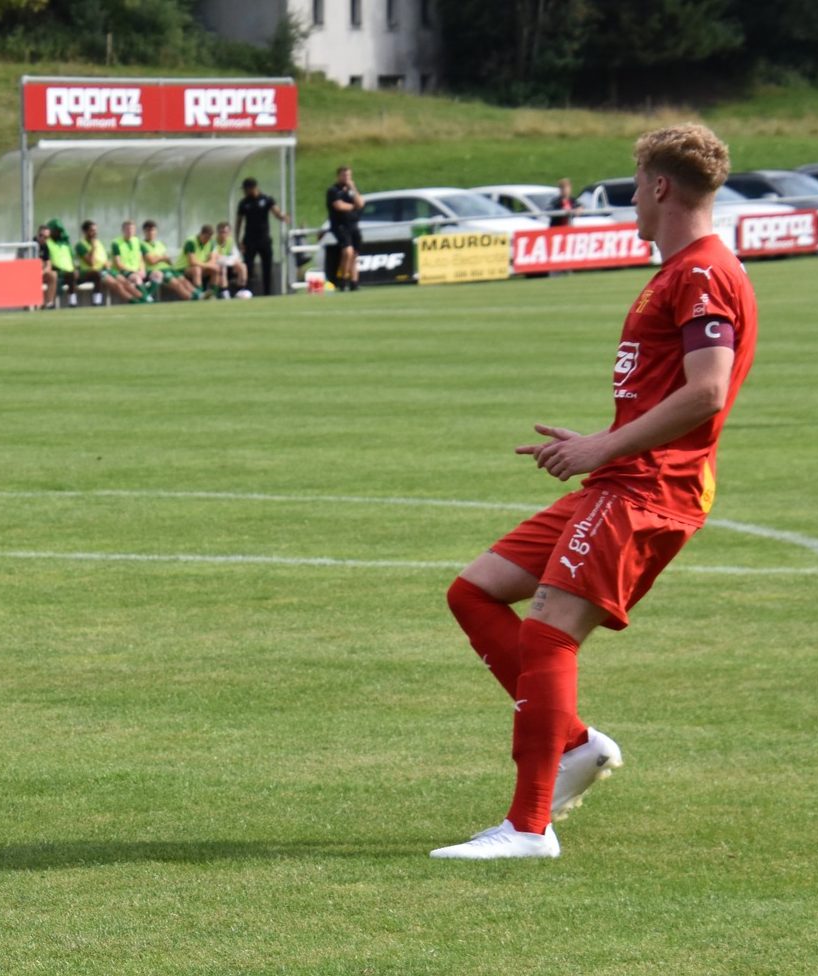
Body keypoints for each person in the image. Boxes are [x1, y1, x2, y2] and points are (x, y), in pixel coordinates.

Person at [431, 124, 758, 860]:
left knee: (547, 630)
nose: (632, 197)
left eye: (636, 183)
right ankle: (573, 741)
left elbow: (706, 392)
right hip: (621, 475)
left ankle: (526, 826)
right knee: (475, 590)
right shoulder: (681, 271)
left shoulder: (701, 273)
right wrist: (600, 446)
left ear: (661, 187)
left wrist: (599, 447)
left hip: (648, 487)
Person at [235, 177, 288, 296]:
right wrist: (237, 239)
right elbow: (239, 221)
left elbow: (276, 212)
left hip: (264, 239)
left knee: (267, 267)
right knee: (248, 266)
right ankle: (247, 292)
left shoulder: (266, 199)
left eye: (245, 189)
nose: (244, 192)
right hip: (249, 240)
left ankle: (268, 293)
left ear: (252, 188)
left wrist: (282, 216)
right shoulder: (244, 203)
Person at [74, 220, 140, 305]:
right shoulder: (80, 245)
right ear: (85, 232)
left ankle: (143, 299)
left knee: (125, 282)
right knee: (116, 284)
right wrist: (93, 248)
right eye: (92, 231)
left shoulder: (98, 243)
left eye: (95, 230)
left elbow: (104, 258)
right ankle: (133, 301)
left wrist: (107, 263)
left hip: (105, 270)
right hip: (92, 272)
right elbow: (91, 262)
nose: (95, 233)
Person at [325, 166, 364, 292]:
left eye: (348, 175)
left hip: (353, 224)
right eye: (344, 175)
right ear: (338, 176)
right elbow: (339, 206)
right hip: (340, 225)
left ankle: (354, 282)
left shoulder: (351, 190)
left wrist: (353, 187)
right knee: (347, 251)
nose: (346, 178)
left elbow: (361, 203)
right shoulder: (333, 191)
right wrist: (353, 206)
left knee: (354, 254)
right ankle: (342, 279)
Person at [138, 220, 194, 302]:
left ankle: (198, 294)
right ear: (144, 232)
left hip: (167, 268)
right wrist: (162, 258)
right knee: (176, 283)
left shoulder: (160, 244)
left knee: (183, 280)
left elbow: (167, 259)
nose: (151, 233)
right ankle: (191, 299)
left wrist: (163, 259)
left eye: (153, 230)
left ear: (156, 231)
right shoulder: (142, 245)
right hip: (155, 270)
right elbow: (151, 261)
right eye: (148, 230)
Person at [111, 220, 154, 303]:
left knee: (157, 275)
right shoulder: (116, 243)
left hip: (136, 271)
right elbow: (118, 264)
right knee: (136, 278)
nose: (130, 231)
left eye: (132, 229)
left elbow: (141, 258)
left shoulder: (137, 241)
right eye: (127, 229)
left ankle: (145, 297)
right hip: (122, 271)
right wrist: (134, 271)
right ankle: (148, 300)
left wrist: (142, 270)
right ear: (123, 230)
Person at [41, 219, 79, 306]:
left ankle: (73, 301)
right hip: (55, 269)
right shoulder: (47, 243)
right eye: (56, 230)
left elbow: (71, 258)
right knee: (65, 275)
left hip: (68, 270)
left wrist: (76, 268)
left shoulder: (65, 244)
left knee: (72, 274)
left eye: (59, 231)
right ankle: (51, 303)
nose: (58, 233)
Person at [181, 223, 222, 299]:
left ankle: (212, 295)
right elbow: (192, 262)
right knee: (197, 270)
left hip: (201, 267)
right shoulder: (191, 242)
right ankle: (200, 296)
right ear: (201, 234)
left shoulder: (211, 242)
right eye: (206, 237)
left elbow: (213, 260)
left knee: (216, 269)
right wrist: (209, 265)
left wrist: (211, 265)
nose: (207, 240)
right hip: (183, 268)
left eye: (209, 238)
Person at [213, 222, 250, 298]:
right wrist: (229, 260)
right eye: (221, 232)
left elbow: (236, 256)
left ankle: (241, 291)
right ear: (217, 233)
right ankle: (224, 292)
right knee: (222, 266)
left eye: (225, 232)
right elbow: (216, 258)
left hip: (230, 265)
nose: (223, 234)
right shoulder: (213, 242)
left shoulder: (230, 241)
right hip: (220, 267)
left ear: (229, 233)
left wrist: (227, 260)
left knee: (242, 266)